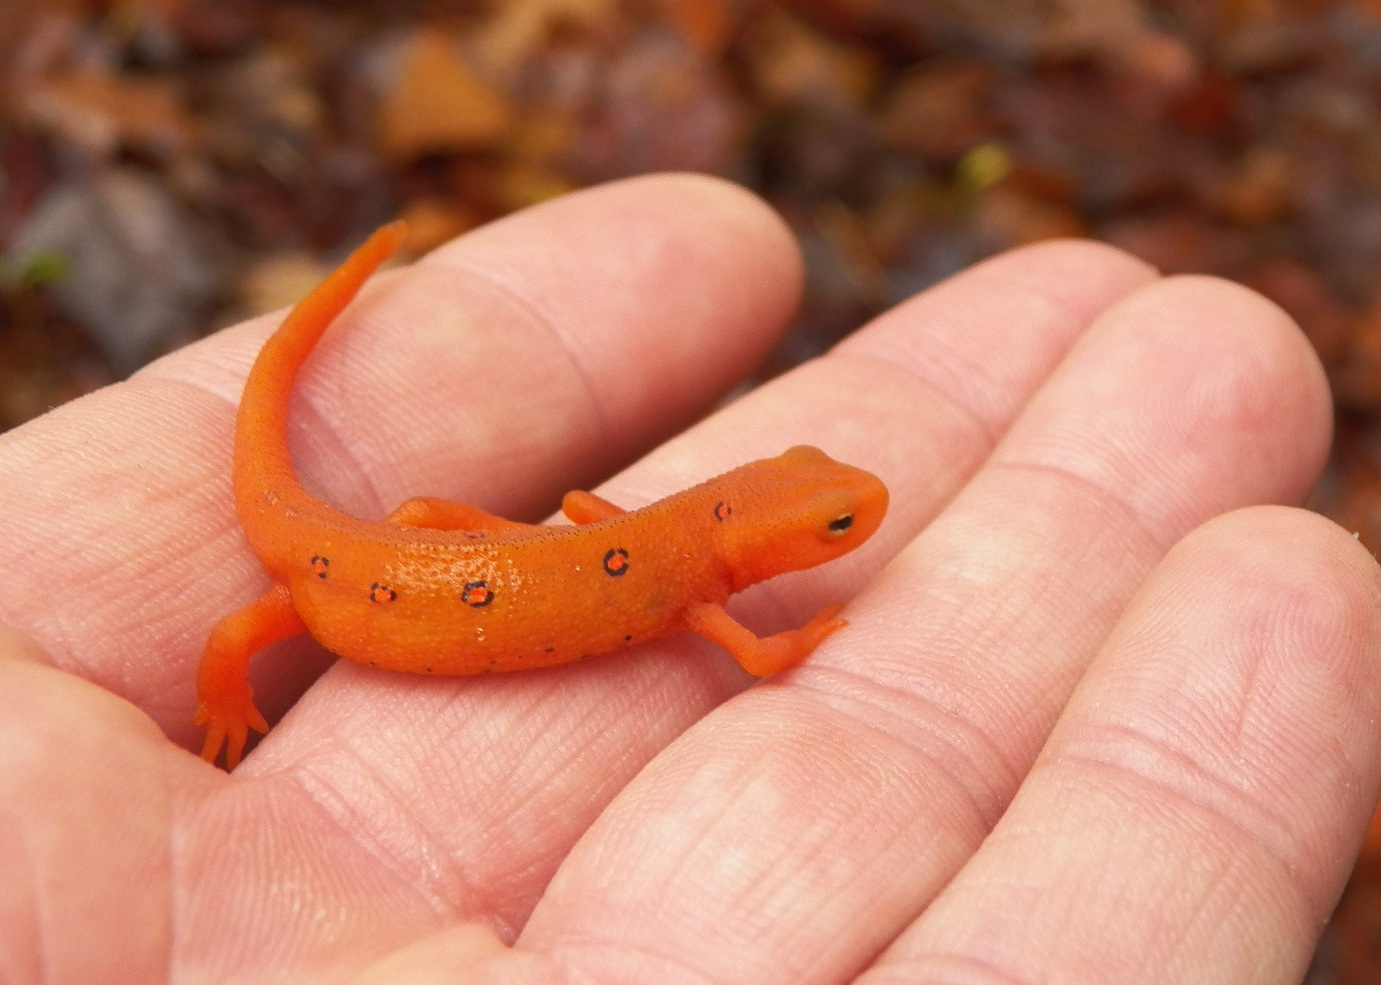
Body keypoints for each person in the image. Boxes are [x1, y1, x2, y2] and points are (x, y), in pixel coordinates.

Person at [0, 173, 1373, 984]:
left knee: (431, 527)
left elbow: (613, 529)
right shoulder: (696, 589)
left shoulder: (664, 548)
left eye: (831, 525)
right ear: (748, 541)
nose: (847, 531)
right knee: (289, 598)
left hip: (400, 557)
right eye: (829, 533)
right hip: (337, 581)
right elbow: (764, 661)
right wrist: (224, 690)